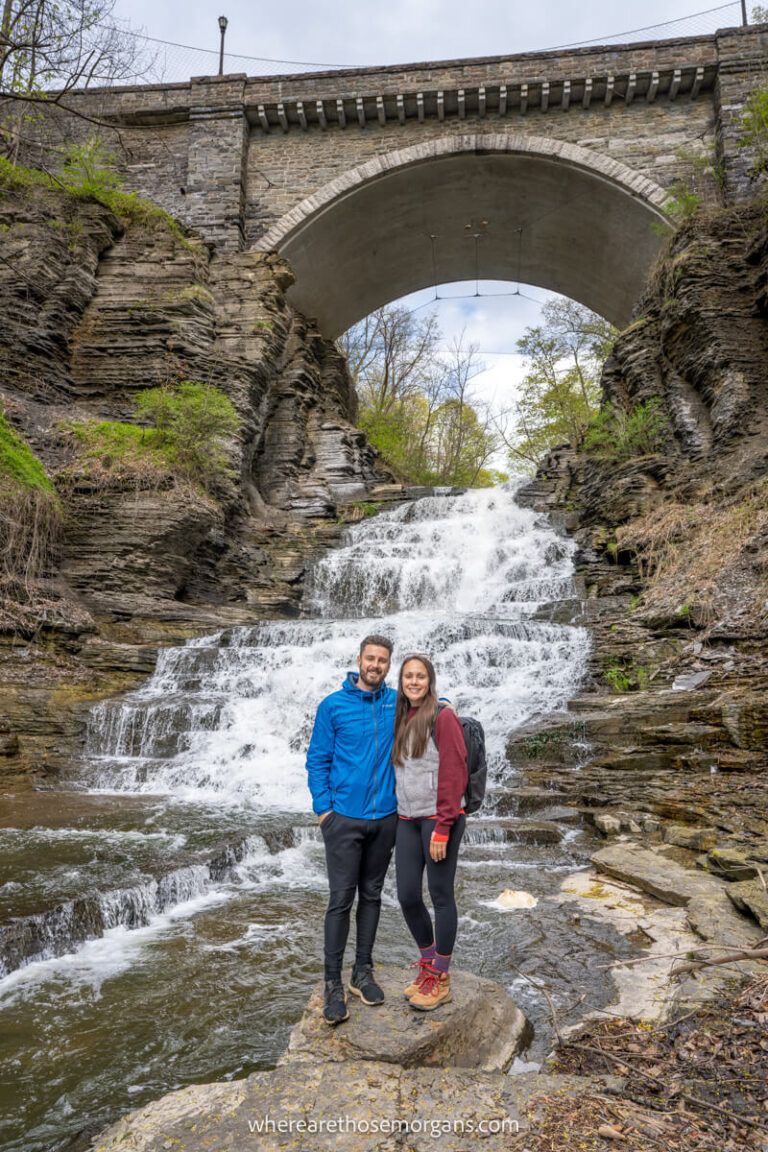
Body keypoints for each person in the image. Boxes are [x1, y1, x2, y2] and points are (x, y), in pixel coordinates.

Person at [305, 634, 398, 1025]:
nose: (375, 665)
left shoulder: (397, 703)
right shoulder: (333, 706)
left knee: (372, 896)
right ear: (359, 660)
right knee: (340, 901)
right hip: (342, 819)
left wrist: (446, 704)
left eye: (382, 661)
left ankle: (362, 973)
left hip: (386, 818)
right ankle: (332, 984)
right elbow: (317, 760)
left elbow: (431, 704)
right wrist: (324, 811)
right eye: (370, 658)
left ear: (388, 666)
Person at [392, 653, 467, 1011]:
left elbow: (455, 771)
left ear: (430, 680)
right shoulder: (400, 714)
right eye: (408, 676)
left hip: (439, 819)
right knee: (407, 895)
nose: (414, 682)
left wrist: (444, 825)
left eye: (420, 676)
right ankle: (427, 967)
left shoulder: (444, 716)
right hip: (407, 819)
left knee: (440, 896)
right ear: (401, 681)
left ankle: (441, 978)